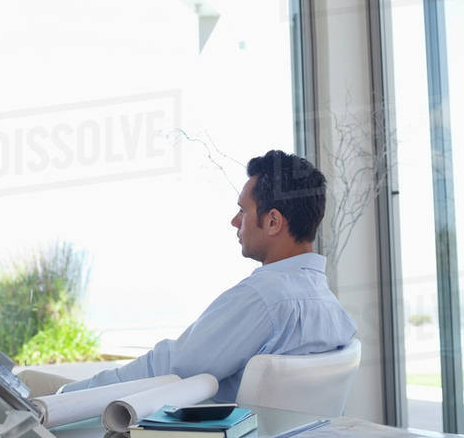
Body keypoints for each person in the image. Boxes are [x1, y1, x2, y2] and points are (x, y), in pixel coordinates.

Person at [58, 149, 357, 402]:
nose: (234, 221)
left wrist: (65, 397)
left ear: (273, 221)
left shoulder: (264, 298)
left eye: (243, 211)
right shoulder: (332, 309)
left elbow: (169, 371)